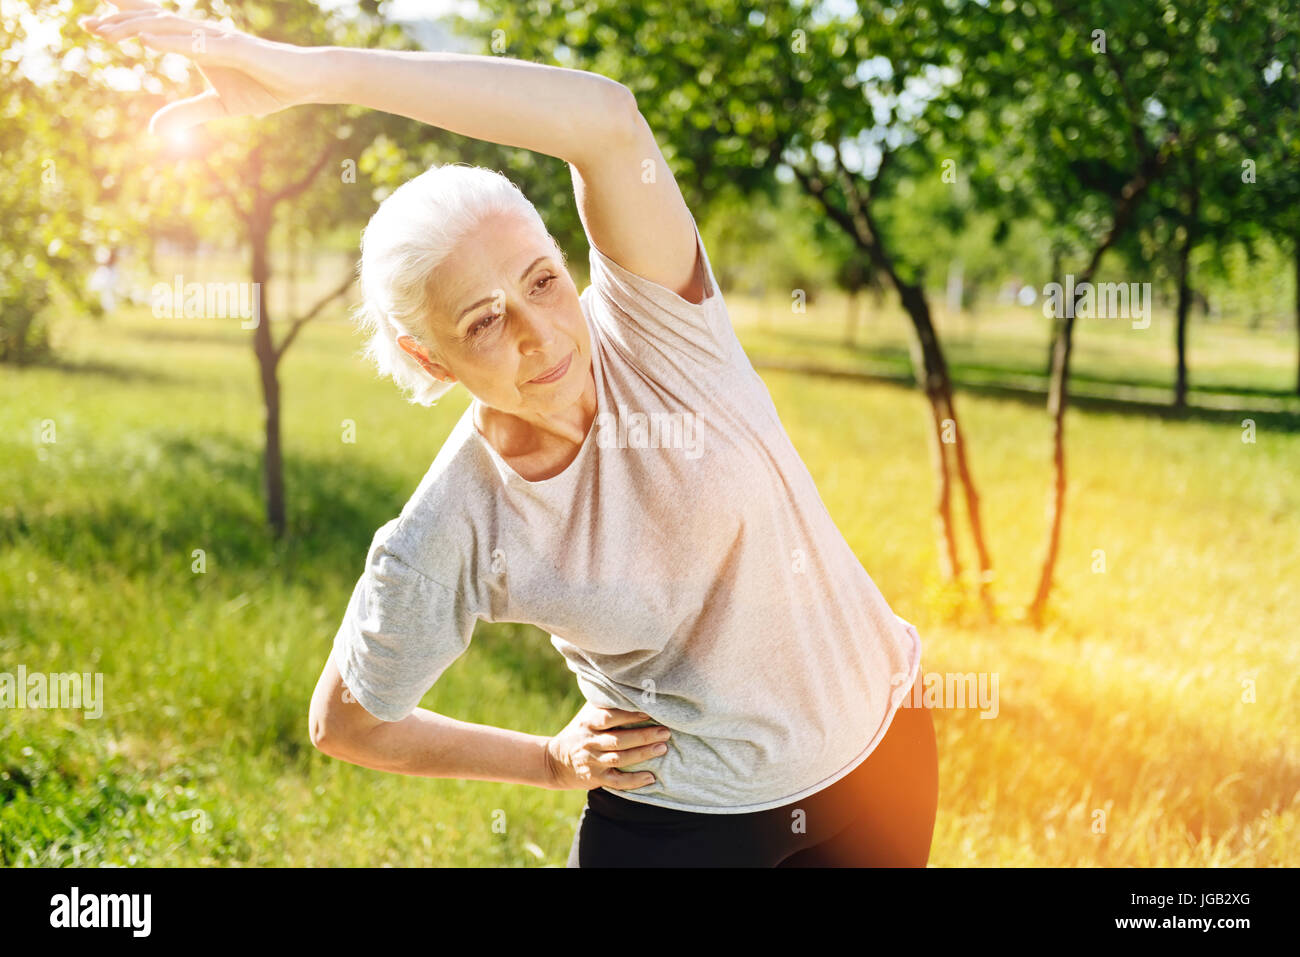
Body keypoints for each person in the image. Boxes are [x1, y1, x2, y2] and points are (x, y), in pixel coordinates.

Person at [82, 0, 938, 867]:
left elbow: (603, 120)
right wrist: (548, 760)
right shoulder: (458, 520)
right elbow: (345, 721)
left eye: (541, 280)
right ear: (432, 356)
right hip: (684, 828)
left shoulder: (657, 329)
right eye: (486, 322)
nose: (542, 334)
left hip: (887, 758)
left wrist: (310, 75)